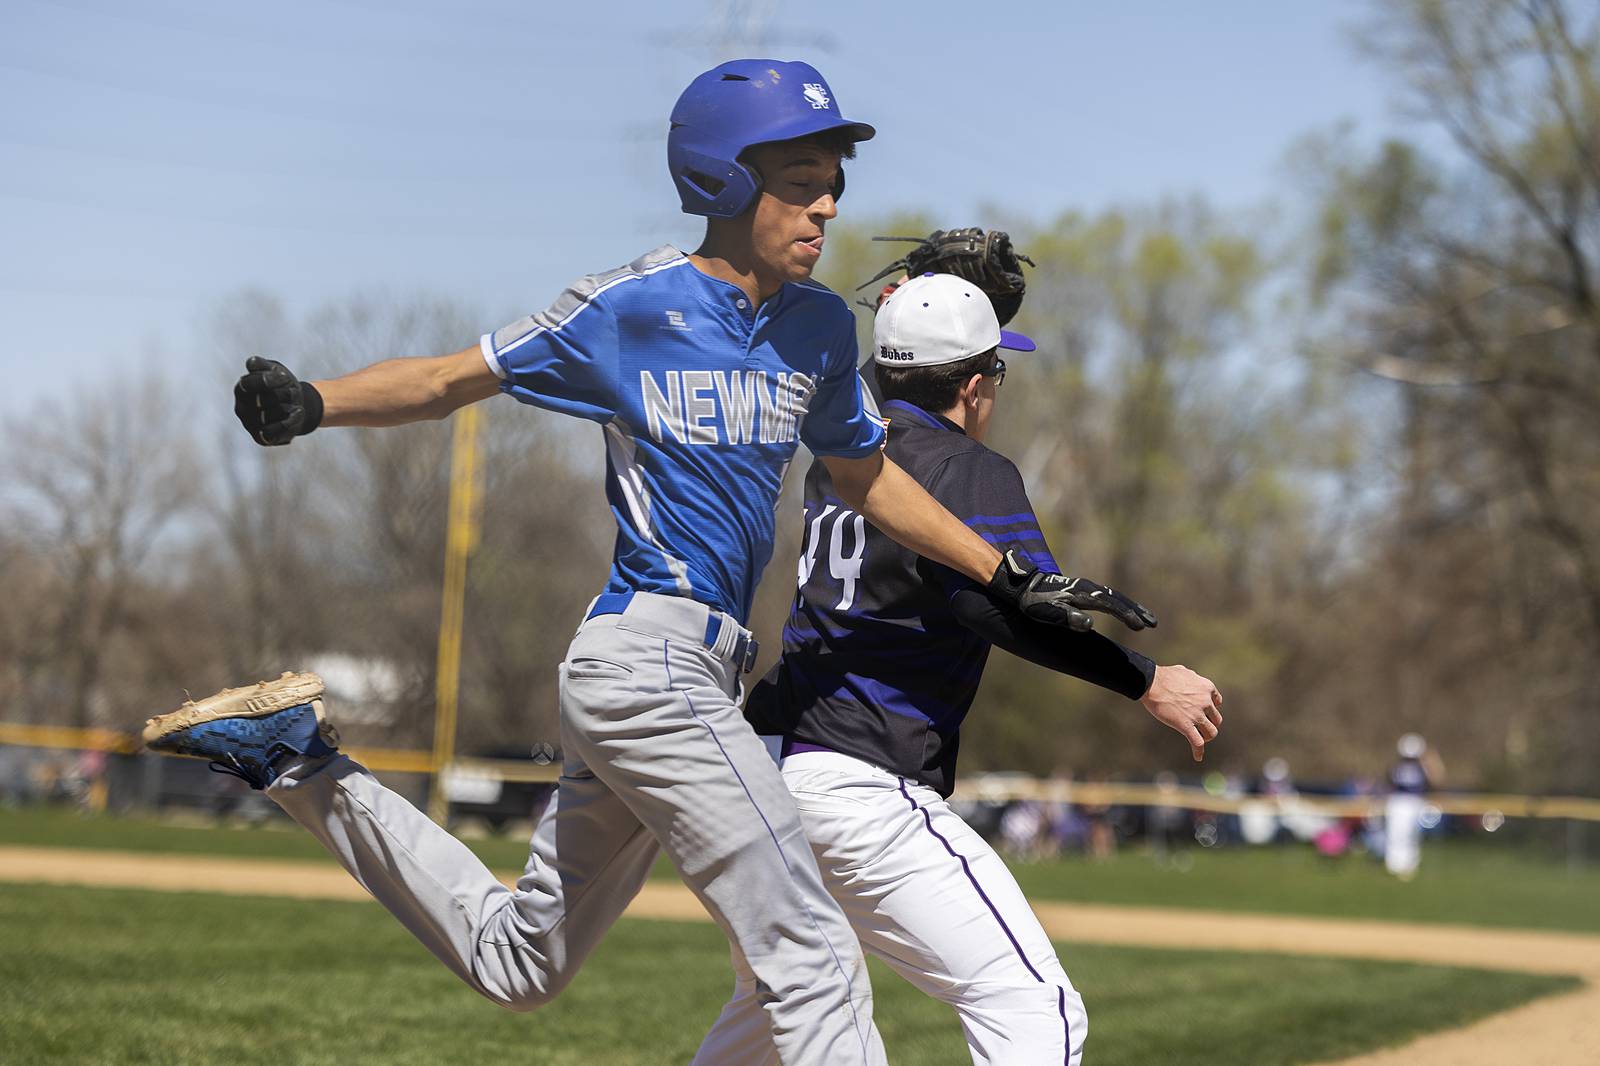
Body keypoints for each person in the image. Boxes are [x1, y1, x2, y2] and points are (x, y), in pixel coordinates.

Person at [140, 62, 1128, 1065]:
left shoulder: (821, 328)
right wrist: (314, 400)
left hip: (698, 679)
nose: (827, 202)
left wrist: (1004, 575)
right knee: (812, 949)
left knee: (520, 961)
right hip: (642, 664)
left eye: (833, 180)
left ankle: (294, 759)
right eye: (800, 178)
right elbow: (444, 380)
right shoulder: (629, 308)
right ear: (724, 181)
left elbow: (869, 475)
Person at [694, 271, 1225, 1066]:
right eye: (995, 370)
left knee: (776, 1015)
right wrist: (1145, 678)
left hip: (766, 773)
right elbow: (998, 607)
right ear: (975, 385)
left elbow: (888, 398)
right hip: (863, 784)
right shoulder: (969, 469)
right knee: (1034, 1008)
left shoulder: (841, 461)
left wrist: (910, 317)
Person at [1384, 732, 1434, 880]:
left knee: (1411, 835)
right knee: (1396, 833)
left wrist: (1429, 759)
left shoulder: (1423, 767)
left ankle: (1409, 865)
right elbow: (1389, 781)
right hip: (1398, 802)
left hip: (1414, 803)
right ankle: (1394, 864)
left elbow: (1434, 781)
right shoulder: (1397, 766)